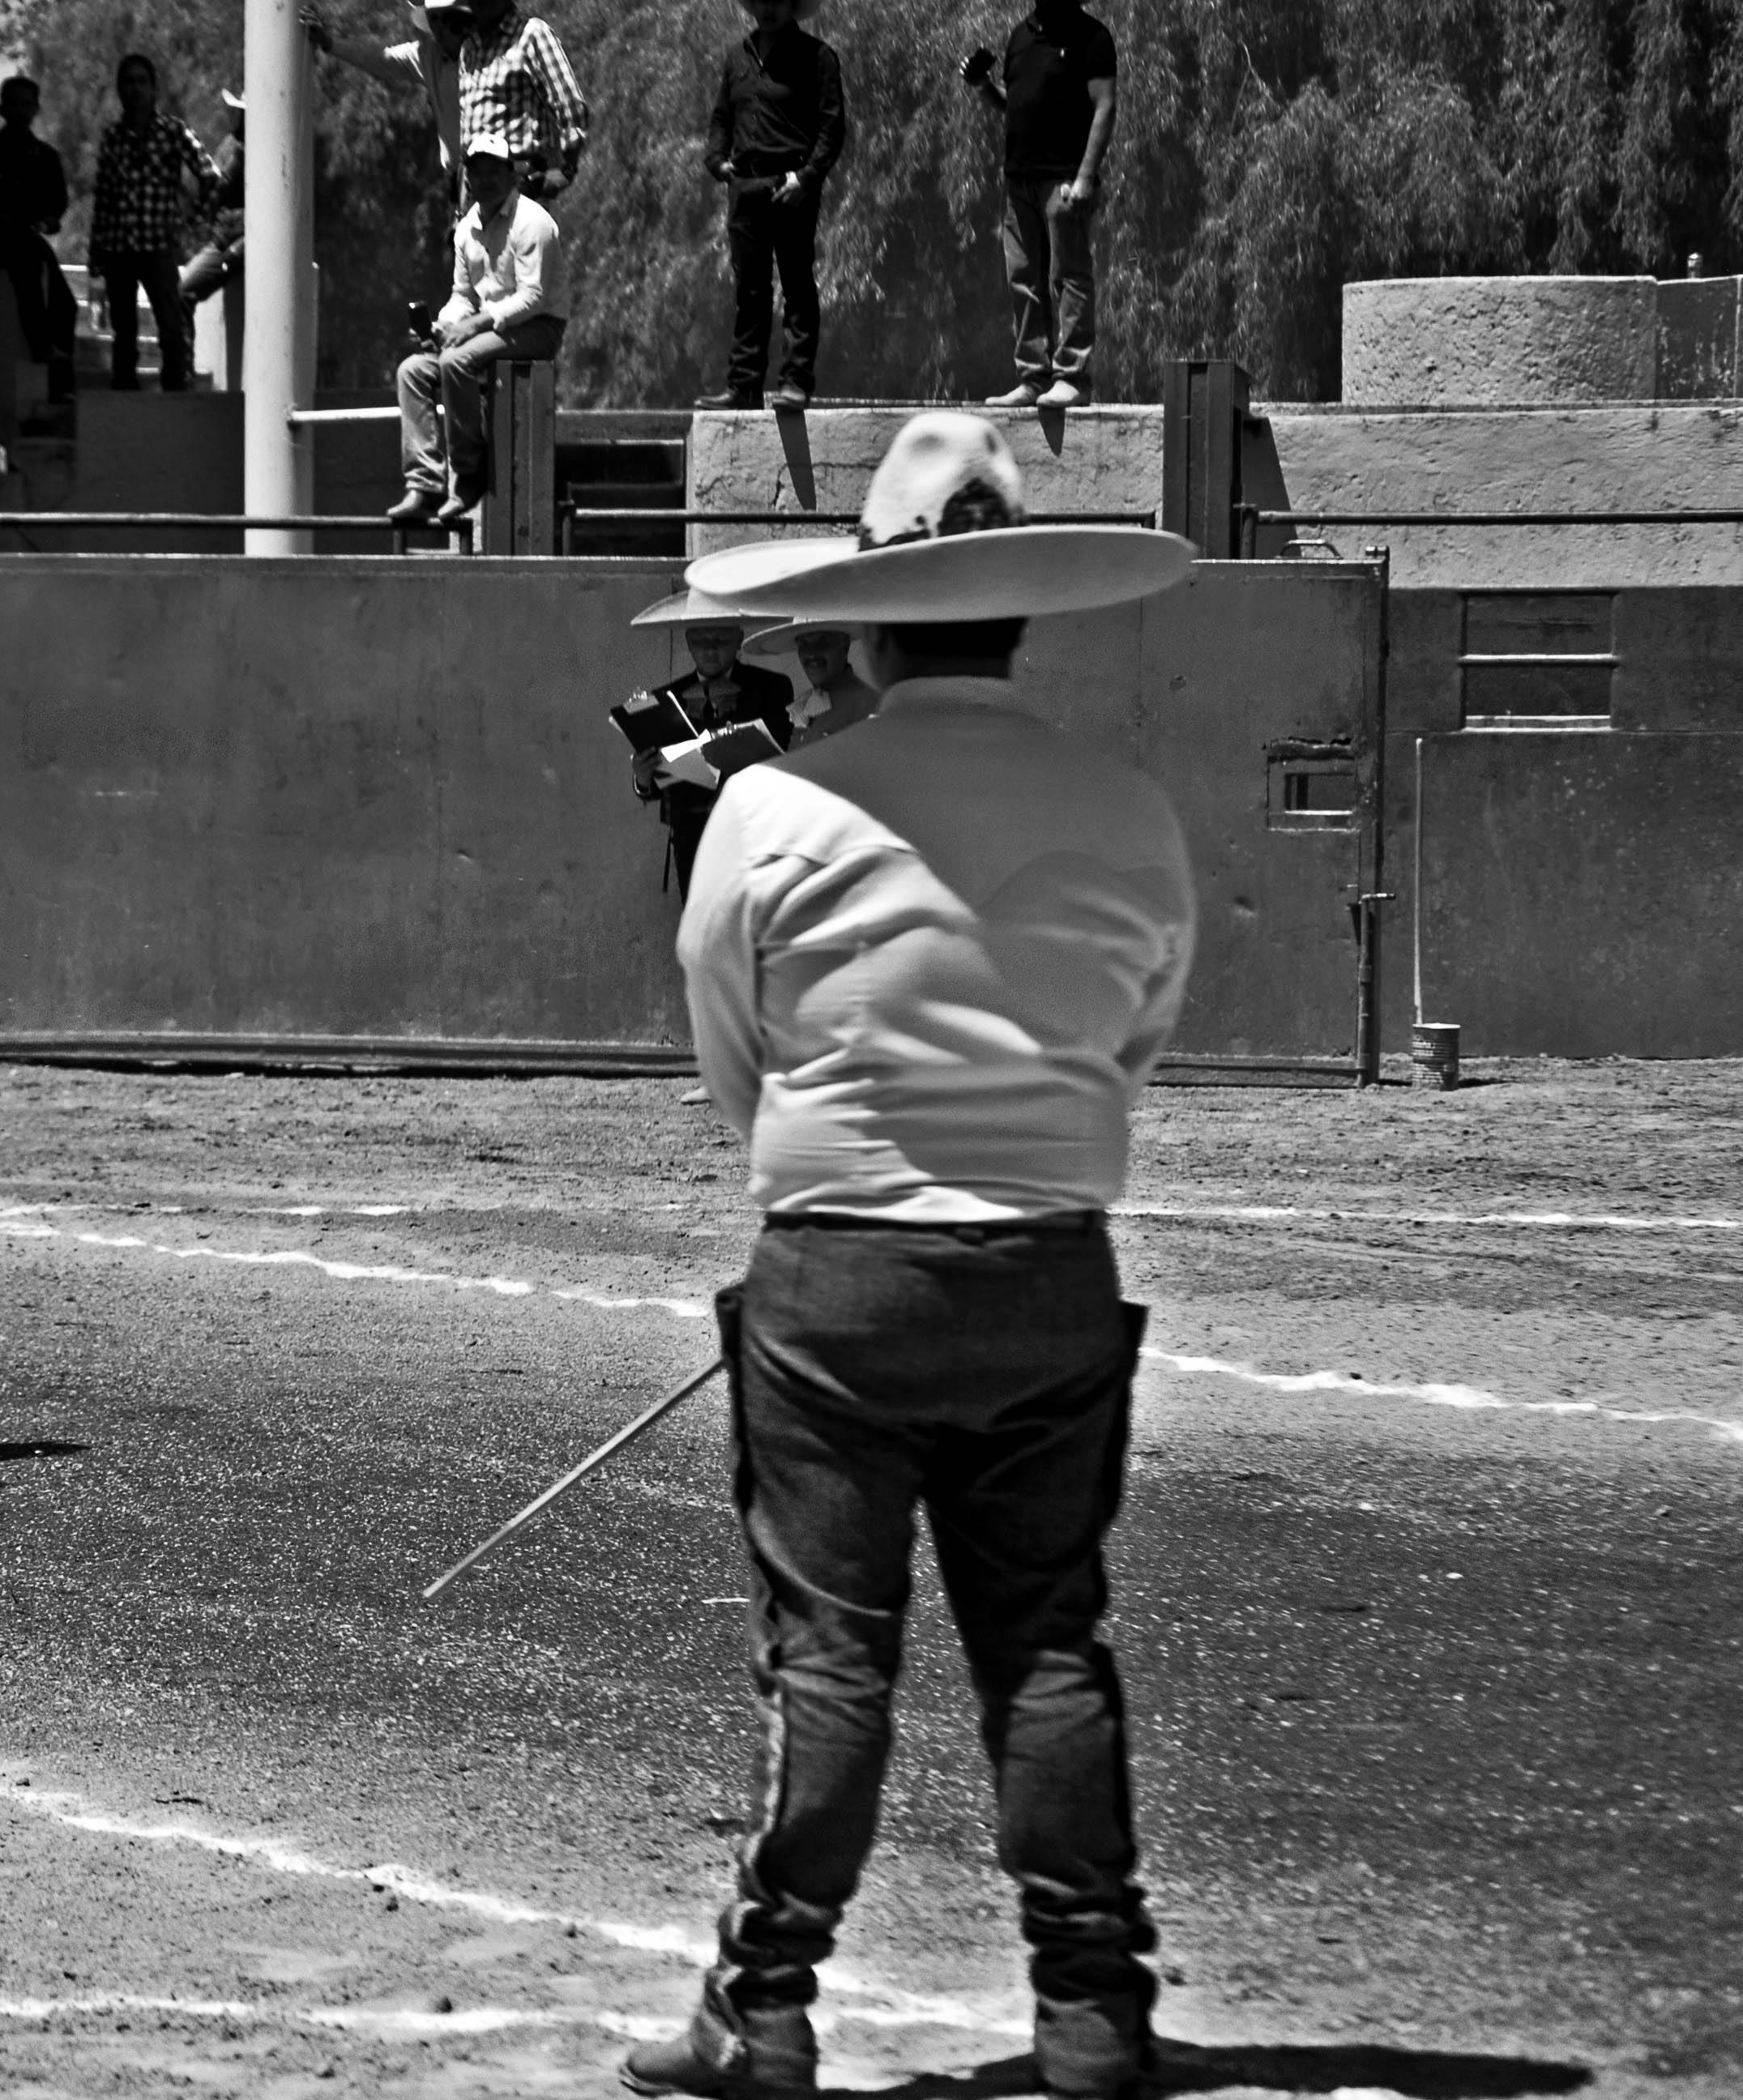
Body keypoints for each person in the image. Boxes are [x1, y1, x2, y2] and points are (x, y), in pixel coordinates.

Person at [617, 411, 1198, 2100]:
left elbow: (735, 1055)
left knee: (830, 1654)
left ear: (864, 624)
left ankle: (766, 2006)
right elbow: (1131, 1041)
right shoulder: (1128, 807)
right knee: (1049, 1647)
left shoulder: (777, 806)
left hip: (841, 1277)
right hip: (1047, 1269)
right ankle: (1092, 2012)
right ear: (1018, 615)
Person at [390, 140, 567, 526]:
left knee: (457, 360)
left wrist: (472, 326)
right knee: (412, 371)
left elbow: (533, 298)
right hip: (488, 325)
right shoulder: (467, 227)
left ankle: (469, 475)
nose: (482, 180)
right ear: (465, 177)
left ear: (511, 173)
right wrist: (444, 326)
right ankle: (425, 483)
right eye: (475, 171)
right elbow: (463, 295)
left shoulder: (532, 222)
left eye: (492, 171)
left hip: (539, 328)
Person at [967, 0, 1116, 408]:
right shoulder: (1021, 36)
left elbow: (1105, 106)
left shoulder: (1092, 36)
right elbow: (1013, 105)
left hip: (1065, 178)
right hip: (1019, 179)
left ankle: (1072, 376)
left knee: (1068, 275)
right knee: (1024, 278)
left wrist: (1086, 176)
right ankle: (1033, 377)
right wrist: (983, 86)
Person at [700, 0, 844, 412]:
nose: (768, 8)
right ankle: (743, 386)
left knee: (797, 284)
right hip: (745, 186)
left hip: (791, 184)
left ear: (793, 6)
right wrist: (717, 160)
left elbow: (832, 126)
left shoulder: (817, 57)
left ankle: (795, 383)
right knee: (750, 291)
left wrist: (807, 177)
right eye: (761, 0)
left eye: (777, 1)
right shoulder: (737, 56)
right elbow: (721, 118)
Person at [617, 583, 796, 889]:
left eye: (721, 639)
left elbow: (780, 753)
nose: (711, 649)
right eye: (701, 640)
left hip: (752, 830)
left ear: (739, 639)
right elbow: (656, 784)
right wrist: (642, 776)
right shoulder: (665, 697)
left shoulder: (771, 688)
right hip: (690, 834)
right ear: (688, 642)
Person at [88, 53, 220, 391]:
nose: (135, 89)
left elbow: (209, 175)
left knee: (170, 325)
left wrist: (192, 218)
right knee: (124, 329)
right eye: (128, 82)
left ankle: (175, 387)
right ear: (120, 89)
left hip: (159, 245)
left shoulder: (173, 132)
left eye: (142, 81)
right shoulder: (113, 138)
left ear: (153, 88)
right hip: (119, 248)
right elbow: (103, 198)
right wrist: (96, 255)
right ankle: (125, 391)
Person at [0, 75, 79, 392]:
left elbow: (57, 206)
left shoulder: (46, 157)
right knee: (28, 264)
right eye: (13, 103)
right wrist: (3, 222)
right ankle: (40, 344)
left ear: (36, 109)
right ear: (1, 108)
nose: (20, 110)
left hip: (30, 242)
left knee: (65, 305)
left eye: (26, 104)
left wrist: (45, 222)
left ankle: (61, 385)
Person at [303, 0, 470, 196]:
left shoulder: (486, 55)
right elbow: (380, 58)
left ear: (463, 19)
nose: (441, 27)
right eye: (435, 19)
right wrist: (329, 43)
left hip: (496, 169)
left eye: (447, 19)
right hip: (461, 181)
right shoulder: (428, 55)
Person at [450, 0, 586, 202]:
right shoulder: (468, 49)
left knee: (522, 232)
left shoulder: (532, 34)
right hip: (476, 186)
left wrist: (567, 168)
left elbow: (569, 103)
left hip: (520, 181)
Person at [745, 618, 881, 741]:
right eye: (803, 644)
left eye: (822, 642)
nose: (811, 654)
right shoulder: (804, 706)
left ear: (844, 647)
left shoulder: (868, 706)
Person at [178, 89, 249, 313]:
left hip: (242, 241)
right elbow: (214, 188)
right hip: (223, 239)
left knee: (182, 291)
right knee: (180, 291)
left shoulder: (265, 152)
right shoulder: (232, 143)